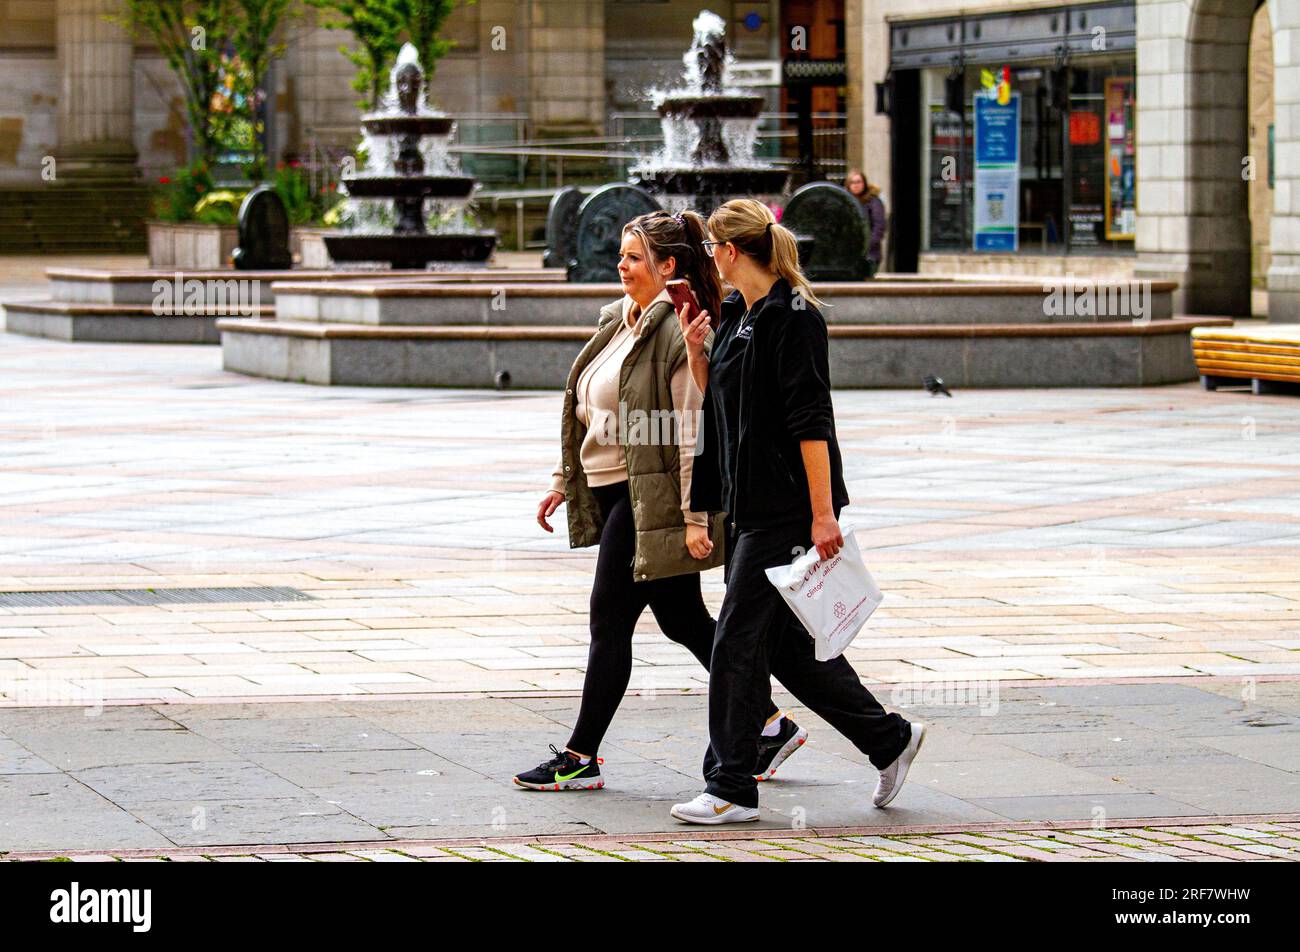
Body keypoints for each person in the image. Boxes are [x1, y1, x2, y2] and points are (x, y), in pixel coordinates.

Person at [513, 210, 808, 792]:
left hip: (651, 499)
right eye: (620, 256)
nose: (620, 266)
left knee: (608, 620)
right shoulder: (619, 321)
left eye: (633, 257)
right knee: (682, 619)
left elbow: (694, 429)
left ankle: (580, 755)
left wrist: (696, 516)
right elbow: (590, 410)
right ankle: (768, 722)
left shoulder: (677, 329)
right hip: (617, 487)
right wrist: (561, 479)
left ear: (667, 266)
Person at [670, 199, 925, 824]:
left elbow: (813, 423)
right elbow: (724, 404)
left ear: (730, 252)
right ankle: (887, 738)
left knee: (733, 642)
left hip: (786, 509)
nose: (710, 263)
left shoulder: (795, 317)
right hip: (748, 504)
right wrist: (698, 350)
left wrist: (822, 515)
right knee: (785, 647)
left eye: (712, 252)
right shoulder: (737, 312)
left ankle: (730, 784)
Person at [845, 168, 886, 278]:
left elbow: (879, 226)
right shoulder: (845, 202)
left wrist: (868, 246)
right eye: (852, 182)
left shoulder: (874, 202)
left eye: (859, 182)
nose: (856, 185)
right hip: (849, 254)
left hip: (870, 253)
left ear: (864, 183)